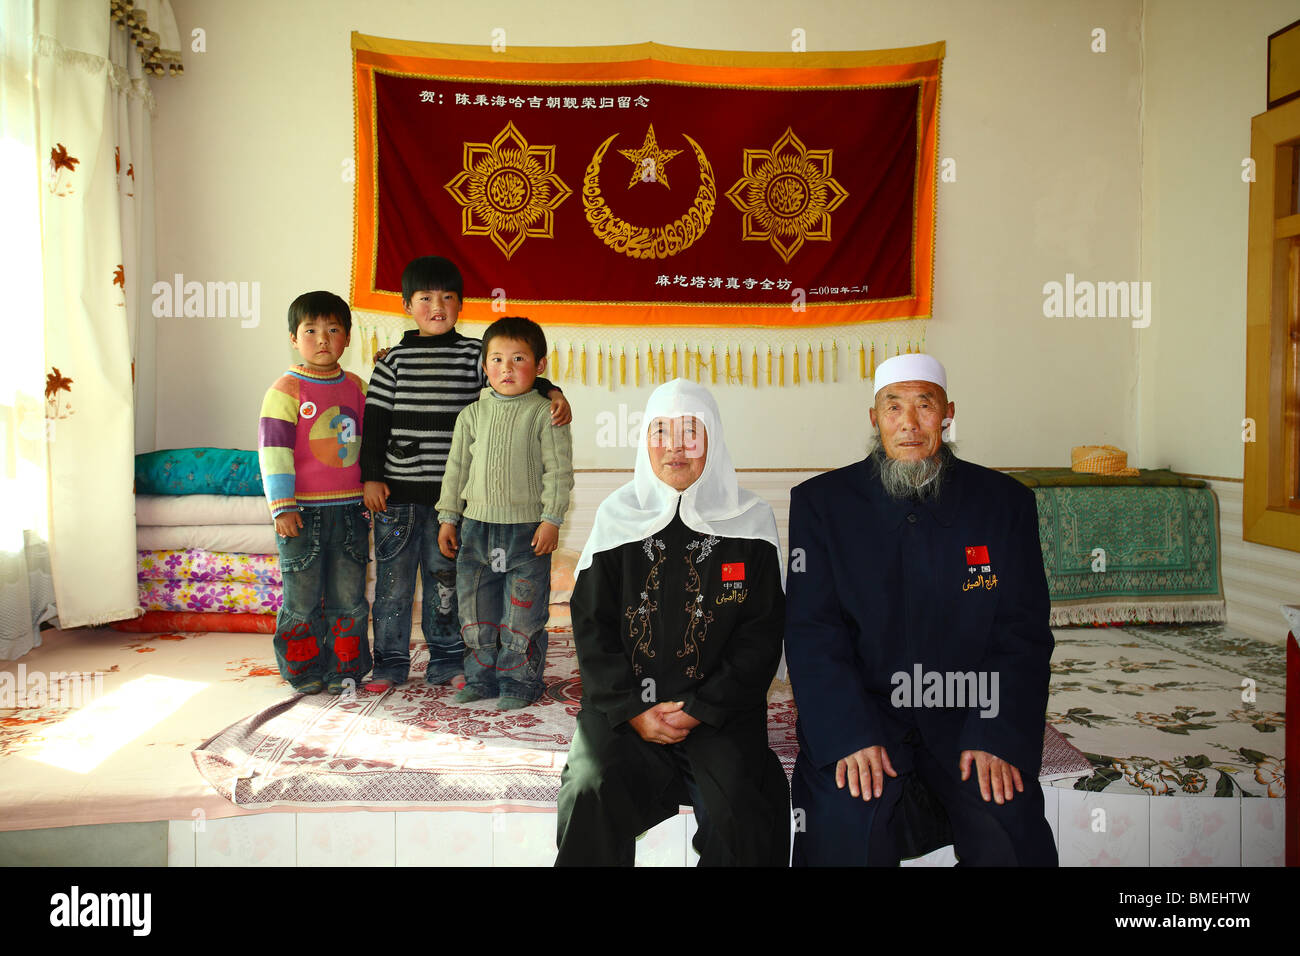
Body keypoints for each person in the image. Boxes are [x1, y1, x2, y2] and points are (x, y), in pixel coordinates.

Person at [785, 353, 1057, 866]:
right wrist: (849, 734)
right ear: (874, 418)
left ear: (947, 413)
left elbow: (1021, 634)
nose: (908, 423)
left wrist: (994, 732)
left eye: (924, 405)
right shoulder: (823, 504)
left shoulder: (1004, 504)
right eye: (893, 407)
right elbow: (811, 632)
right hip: (865, 711)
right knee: (848, 821)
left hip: (969, 712)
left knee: (1007, 824)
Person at [556, 378, 789, 866]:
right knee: (589, 788)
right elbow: (592, 626)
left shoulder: (750, 521)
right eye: (661, 432)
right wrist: (631, 707)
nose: (675, 448)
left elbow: (760, 635)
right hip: (625, 710)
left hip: (718, 713)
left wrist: (703, 707)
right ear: (646, 441)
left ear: (714, 441)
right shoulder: (618, 517)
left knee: (745, 812)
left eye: (691, 433)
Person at [359, 256, 571, 693]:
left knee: (448, 586)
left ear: (461, 304)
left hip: (455, 503)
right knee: (394, 586)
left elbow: (513, 379)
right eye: (425, 298)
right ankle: (390, 663)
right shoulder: (391, 362)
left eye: (447, 297)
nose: (437, 306)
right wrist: (371, 476)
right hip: (397, 495)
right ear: (406, 305)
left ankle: (446, 661)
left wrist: (554, 391)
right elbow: (376, 421)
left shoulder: (475, 354)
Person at [434, 316, 574, 709]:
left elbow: (559, 471)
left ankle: (519, 683)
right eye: (496, 359)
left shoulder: (546, 413)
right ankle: (480, 678)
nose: (506, 369)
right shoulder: (471, 416)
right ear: (484, 365)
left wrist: (552, 518)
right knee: (475, 611)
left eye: (518, 359)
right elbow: (455, 469)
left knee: (522, 615)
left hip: (526, 532)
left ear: (540, 366)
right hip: (475, 529)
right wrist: (448, 517)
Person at [258, 291, 372, 695]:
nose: (323, 338)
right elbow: (274, 454)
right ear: (293, 337)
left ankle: (347, 667)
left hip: (351, 512)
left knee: (349, 596)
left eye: (333, 329)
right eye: (311, 330)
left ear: (347, 337)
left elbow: (372, 443)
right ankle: (303, 670)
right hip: (301, 513)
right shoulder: (286, 389)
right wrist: (282, 507)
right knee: (302, 597)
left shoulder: (357, 387)